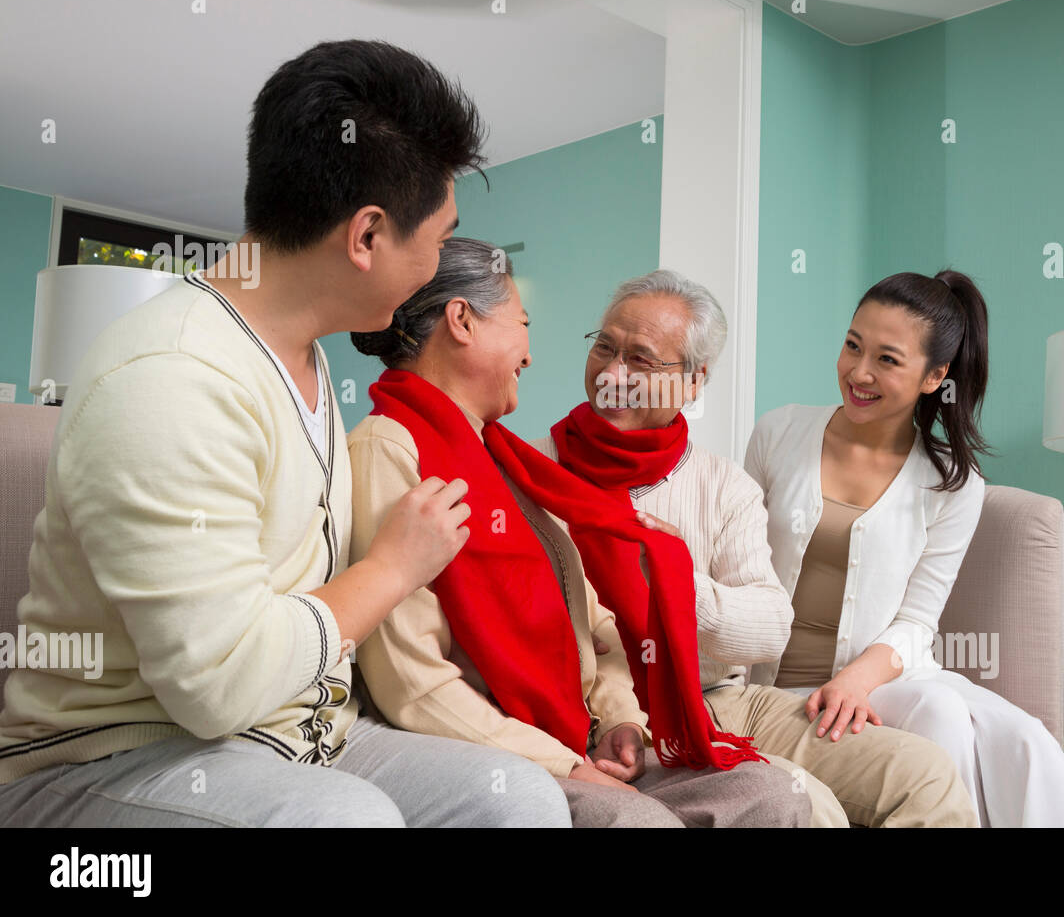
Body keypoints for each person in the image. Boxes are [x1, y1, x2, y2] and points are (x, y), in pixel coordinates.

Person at [0, 40, 570, 827]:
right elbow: (217, 687)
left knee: (519, 799)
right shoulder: (171, 375)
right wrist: (394, 567)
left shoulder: (300, 356)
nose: (438, 261)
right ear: (367, 236)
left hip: (298, 738)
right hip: (111, 757)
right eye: (437, 239)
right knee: (341, 821)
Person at [346, 237, 813, 827]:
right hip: (502, 746)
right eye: (523, 323)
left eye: (639, 358)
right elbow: (409, 681)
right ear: (462, 321)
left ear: (693, 383)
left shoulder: (507, 457)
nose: (531, 355)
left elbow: (593, 622)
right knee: (641, 821)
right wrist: (563, 761)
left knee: (774, 796)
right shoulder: (388, 451)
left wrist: (621, 718)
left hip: (585, 729)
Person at [535, 269, 978, 827]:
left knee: (926, 777)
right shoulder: (529, 474)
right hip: (606, 715)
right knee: (802, 799)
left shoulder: (724, 486)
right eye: (604, 347)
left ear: (693, 383)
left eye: (642, 359)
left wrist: (674, 580)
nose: (612, 373)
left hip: (719, 698)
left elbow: (770, 625)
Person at [747, 269, 1064, 827]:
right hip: (780, 690)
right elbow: (737, 564)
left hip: (878, 681)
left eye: (887, 359)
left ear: (935, 377)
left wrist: (858, 679)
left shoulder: (953, 481)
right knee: (942, 712)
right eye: (853, 346)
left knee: (1025, 743)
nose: (859, 372)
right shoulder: (779, 432)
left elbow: (917, 619)